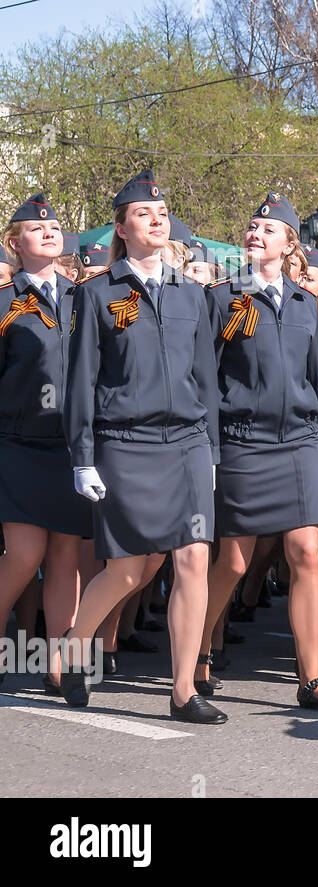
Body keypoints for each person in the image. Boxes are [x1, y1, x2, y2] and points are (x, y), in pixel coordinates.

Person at [60, 170, 226, 724]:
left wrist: (213, 454)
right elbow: (81, 380)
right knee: (131, 570)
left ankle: (183, 691)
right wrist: (82, 458)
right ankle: (72, 647)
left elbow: (207, 378)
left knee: (193, 560)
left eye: (161, 213)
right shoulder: (97, 292)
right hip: (125, 444)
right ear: (122, 229)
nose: (157, 220)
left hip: (186, 444)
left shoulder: (192, 294)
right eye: (142, 214)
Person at [196, 193, 318, 713]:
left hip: (301, 441)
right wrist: (211, 450)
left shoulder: (308, 305)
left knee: (306, 554)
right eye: (253, 225)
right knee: (234, 561)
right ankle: (197, 652)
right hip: (243, 440)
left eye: (269, 227)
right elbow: (207, 380)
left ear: (290, 245)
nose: (256, 232)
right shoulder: (222, 298)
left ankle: (310, 678)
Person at [0, 195, 94, 693]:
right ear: (15, 243)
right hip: (18, 442)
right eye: (37, 229)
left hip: (71, 445)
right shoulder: (4, 301)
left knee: (65, 556)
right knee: (24, 555)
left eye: (55, 226)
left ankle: (62, 663)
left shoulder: (84, 298)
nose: (49, 232)